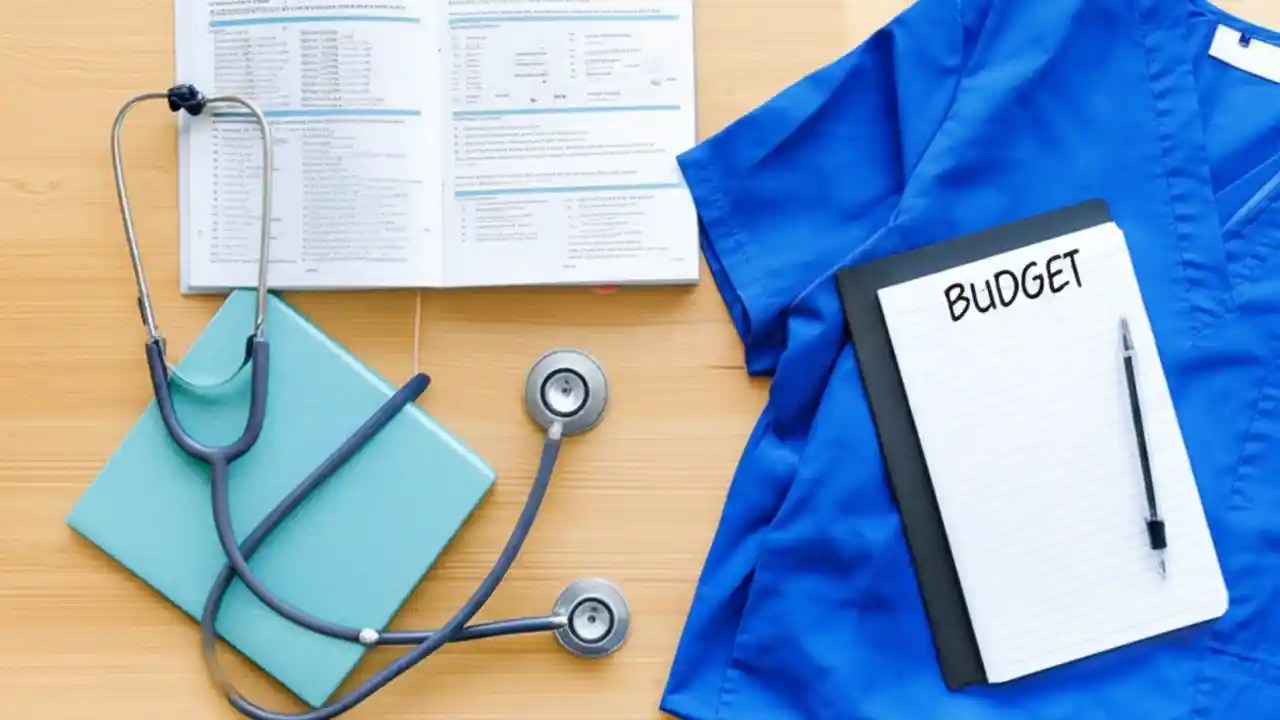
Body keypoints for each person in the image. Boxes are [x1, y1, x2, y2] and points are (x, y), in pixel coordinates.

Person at [661, 0, 1280, 717]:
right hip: (826, 677)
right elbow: (762, 239)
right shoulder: (1016, 32)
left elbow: (770, 234)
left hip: (826, 669)